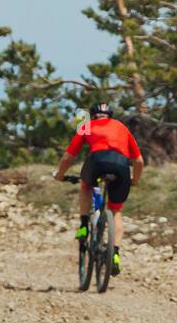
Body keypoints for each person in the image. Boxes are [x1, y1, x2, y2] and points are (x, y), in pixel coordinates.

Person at [52, 101, 144, 275]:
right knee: (116, 211)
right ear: (110, 116)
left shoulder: (87, 125)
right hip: (122, 165)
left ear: (93, 115)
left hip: (97, 161)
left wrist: (60, 175)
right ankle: (115, 253)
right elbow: (139, 161)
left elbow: (68, 157)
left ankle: (85, 224)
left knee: (86, 185)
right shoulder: (121, 127)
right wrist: (134, 180)